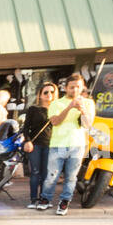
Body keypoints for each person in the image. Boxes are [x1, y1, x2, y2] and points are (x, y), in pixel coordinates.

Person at [40, 73, 95, 215]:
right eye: (72, 87)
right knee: (52, 176)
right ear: (65, 88)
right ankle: (45, 199)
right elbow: (55, 121)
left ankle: (65, 201)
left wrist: (83, 110)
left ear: (82, 87)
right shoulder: (56, 103)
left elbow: (88, 125)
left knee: (71, 177)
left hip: (77, 145)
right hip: (57, 144)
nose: (75, 90)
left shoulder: (88, 103)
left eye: (78, 87)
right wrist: (70, 107)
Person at [20, 83, 57, 209]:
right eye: (45, 92)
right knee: (35, 172)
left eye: (52, 91)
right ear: (40, 95)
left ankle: (44, 198)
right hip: (35, 145)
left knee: (46, 174)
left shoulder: (57, 110)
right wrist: (28, 141)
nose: (49, 95)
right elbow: (26, 128)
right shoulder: (33, 109)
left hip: (51, 145)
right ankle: (33, 199)